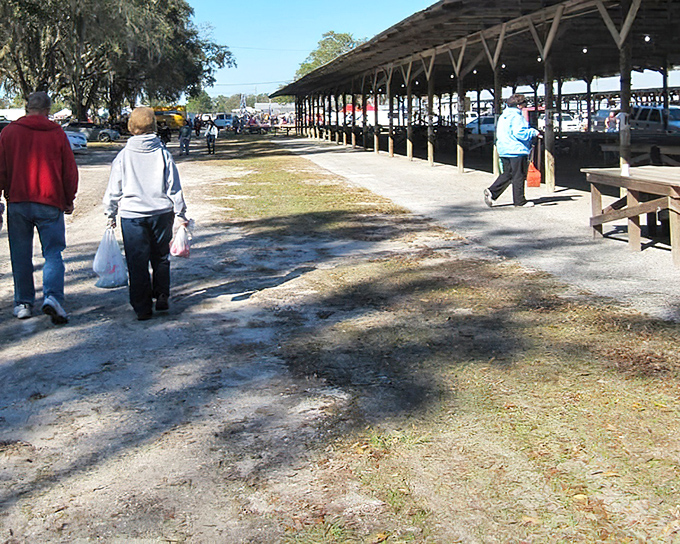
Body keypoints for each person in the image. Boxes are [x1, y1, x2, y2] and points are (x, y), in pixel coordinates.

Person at [0, 91, 78, 324]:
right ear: (48, 110)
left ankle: (23, 303)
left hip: (18, 201)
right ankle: (52, 297)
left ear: (27, 107)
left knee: (20, 254)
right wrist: (68, 199)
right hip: (50, 200)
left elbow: (1, 169)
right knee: (53, 252)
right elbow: (69, 170)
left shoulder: (9, 133)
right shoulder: (57, 133)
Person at [103, 106, 187, 321]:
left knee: (136, 261)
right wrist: (181, 212)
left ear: (131, 127)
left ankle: (142, 307)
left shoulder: (123, 156)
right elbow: (173, 186)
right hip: (161, 212)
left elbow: (114, 188)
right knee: (160, 257)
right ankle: (161, 295)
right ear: (154, 126)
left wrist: (110, 213)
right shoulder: (162, 153)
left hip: (132, 216)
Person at [483, 94, 540, 208]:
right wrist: (534, 132)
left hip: (504, 148)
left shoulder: (503, 116)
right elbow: (519, 133)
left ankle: (492, 192)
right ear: (519, 105)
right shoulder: (517, 117)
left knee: (508, 174)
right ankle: (519, 201)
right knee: (518, 175)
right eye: (524, 105)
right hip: (516, 149)